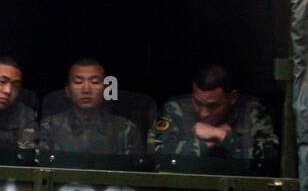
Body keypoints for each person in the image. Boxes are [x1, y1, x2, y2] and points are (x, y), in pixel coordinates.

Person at [148, 64, 279, 164]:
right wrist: (209, 144)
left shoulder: (253, 111)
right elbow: (156, 153)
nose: (204, 113)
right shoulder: (176, 108)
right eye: (198, 103)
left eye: (212, 106)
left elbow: (268, 157)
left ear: (232, 98)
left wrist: (222, 136)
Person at [38, 58, 142, 156]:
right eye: (78, 82)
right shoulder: (49, 127)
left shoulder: (125, 128)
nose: (86, 89)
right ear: (67, 90)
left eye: (95, 82)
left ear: (105, 89)